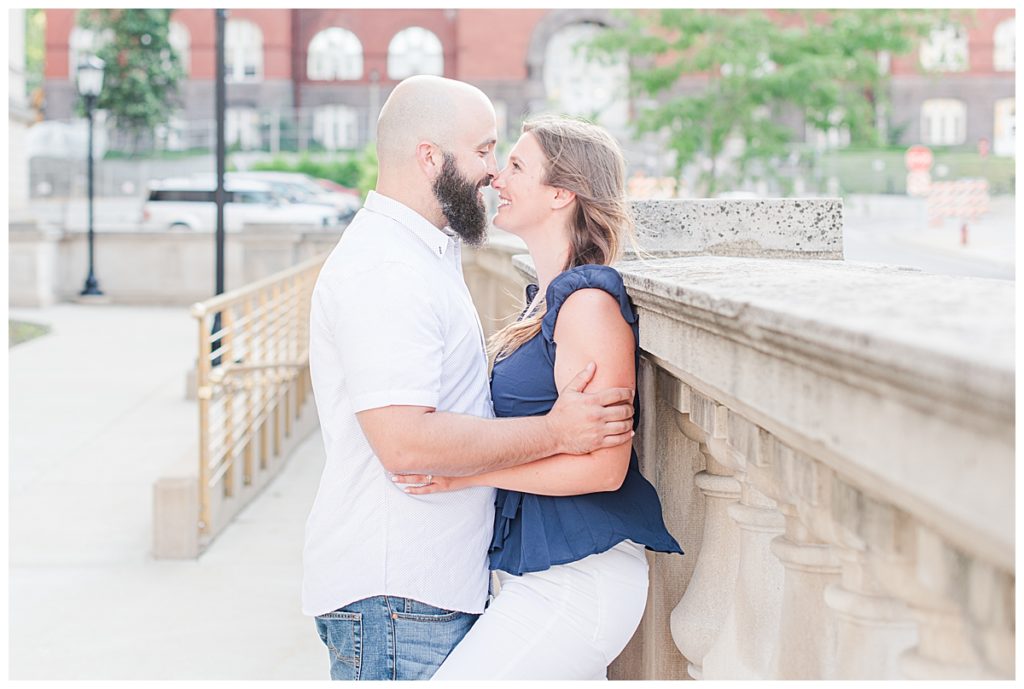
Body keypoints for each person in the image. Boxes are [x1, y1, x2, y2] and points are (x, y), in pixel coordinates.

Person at [303, 76, 638, 681]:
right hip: (399, 591)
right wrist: (558, 431)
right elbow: (406, 444)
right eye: (486, 152)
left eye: (508, 160)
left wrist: (504, 461)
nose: (493, 174)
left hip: (438, 586)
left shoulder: (426, 256)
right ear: (430, 156)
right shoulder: (387, 267)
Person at [393, 115, 684, 680]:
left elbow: (602, 468)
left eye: (518, 165)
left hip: (579, 583)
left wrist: (468, 474)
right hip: (542, 577)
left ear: (560, 194)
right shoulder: (546, 303)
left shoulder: (589, 304)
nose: (498, 176)